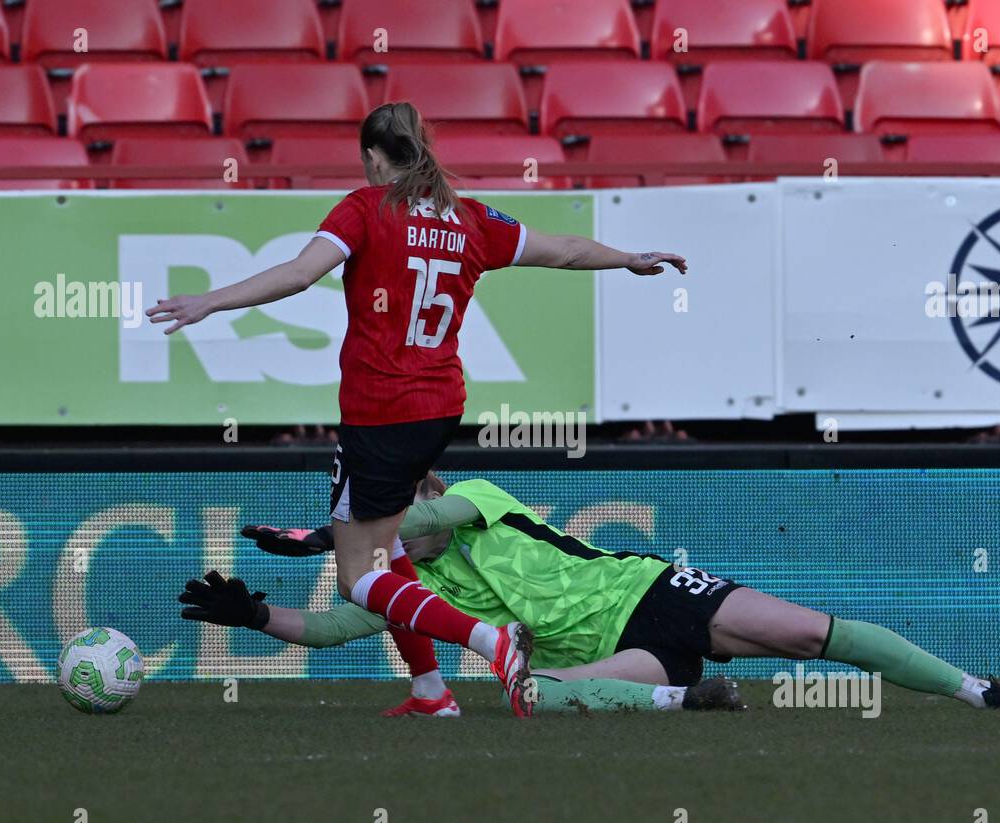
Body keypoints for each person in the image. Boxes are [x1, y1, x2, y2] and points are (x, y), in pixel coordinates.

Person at [147, 102, 686, 719]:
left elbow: (300, 275)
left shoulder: (365, 208)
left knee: (357, 577)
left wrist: (209, 303)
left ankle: (488, 640)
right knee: (387, 550)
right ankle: (431, 692)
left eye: (368, 161)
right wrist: (628, 258)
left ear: (375, 157)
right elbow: (562, 250)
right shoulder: (471, 218)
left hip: (381, 415)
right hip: (440, 408)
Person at [177, 475, 1000, 716]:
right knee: (535, 694)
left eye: (413, 493)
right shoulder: (403, 585)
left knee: (806, 634)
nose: (412, 510)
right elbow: (333, 626)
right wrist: (257, 616)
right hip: (610, 659)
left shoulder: (474, 504)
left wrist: (314, 533)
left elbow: (416, 518)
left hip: (646, 592)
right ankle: (686, 697)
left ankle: (982, 691)